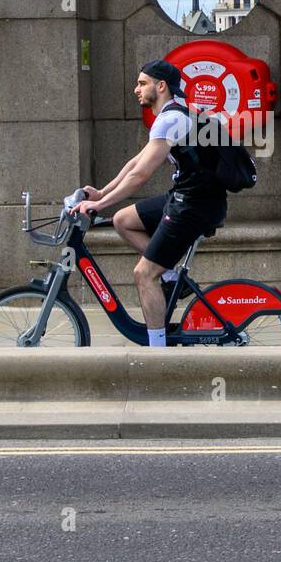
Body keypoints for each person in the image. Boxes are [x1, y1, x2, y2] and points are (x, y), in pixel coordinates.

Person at [75, 59, 227, 348]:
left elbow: (141, 175)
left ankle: (158, 352)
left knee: (144, 274)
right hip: (188, 197)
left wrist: (99, 205)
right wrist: (100, 194)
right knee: (123, 220)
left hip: (194, 206)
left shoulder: (172, 118)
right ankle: (171, 274)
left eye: (142, 83)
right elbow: (137, 162)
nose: (136, 89)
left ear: (161, 86)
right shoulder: (172, 114)